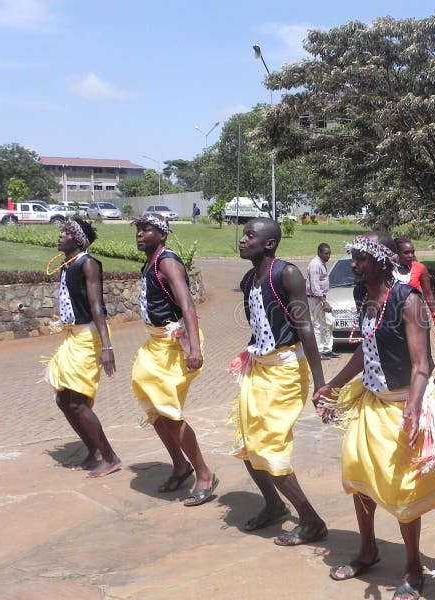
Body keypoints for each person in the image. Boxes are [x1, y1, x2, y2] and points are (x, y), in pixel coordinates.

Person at [313, 232, 435, 600]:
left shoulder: (407, 300)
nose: (354, 265)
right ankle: (368, 550)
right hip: (372, 402)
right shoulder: (364, 296)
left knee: (403, 487)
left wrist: (413, 408)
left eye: (361, 258)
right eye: (354, 257)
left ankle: (412, 567)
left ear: (381, 261)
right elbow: (366, 351)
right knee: (360, 476)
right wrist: (332, 384)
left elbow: (422, 363)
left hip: (403, 405)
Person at [232, 217, 328, 546]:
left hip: (286, 373)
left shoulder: (286, 274)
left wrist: (320, 383)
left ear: (269, 244)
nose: (243, 240)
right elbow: (262, 324)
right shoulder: (248, 279)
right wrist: (251, 352)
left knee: (269, 446)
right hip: (259, 370)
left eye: (250, 236)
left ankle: (311, 521)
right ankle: (273, 505)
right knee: (248, 444)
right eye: (243, 234)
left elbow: (304, 327)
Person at [130, 214, 217, 506]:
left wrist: (195, 349)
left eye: (147, 230)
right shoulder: (150, 262)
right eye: (138, 230)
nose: (140, 234)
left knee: (169, 410)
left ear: (162, 235)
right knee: (153, 407)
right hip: (155, 345)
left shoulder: (167, 262)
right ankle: (180, 466)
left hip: (176, 346)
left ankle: (204, 474)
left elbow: (188, 306)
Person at [44, 217, 121, 477]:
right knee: (63, 399)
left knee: (78, 402)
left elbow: (96, 305)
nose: (61, 235)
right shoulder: (68, 265)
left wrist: (107, 347)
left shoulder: (88, 264)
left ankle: (110, 457)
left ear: (78, 239)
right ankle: (94, 451)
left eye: (66, 232)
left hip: (89, 337)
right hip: (73, 337)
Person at [393, 237, 435, 335]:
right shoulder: (389, 269)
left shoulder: (420, 268)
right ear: (397, 253)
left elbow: (428, 294)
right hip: (393, 318)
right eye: (406, 253)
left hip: (416, 317)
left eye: (412, 252)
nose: (410, 255)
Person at [305, 242, 339, 360]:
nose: (328, 256)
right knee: (318, 325)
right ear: (319, 252)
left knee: (329, 323)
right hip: (315, 299)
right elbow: (315, 286)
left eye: (329, 254)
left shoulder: (321, 264)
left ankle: (327, 349)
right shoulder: (315, 264)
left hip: (320, 298)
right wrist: (323, 302)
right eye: (326, 253)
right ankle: (318, 352)